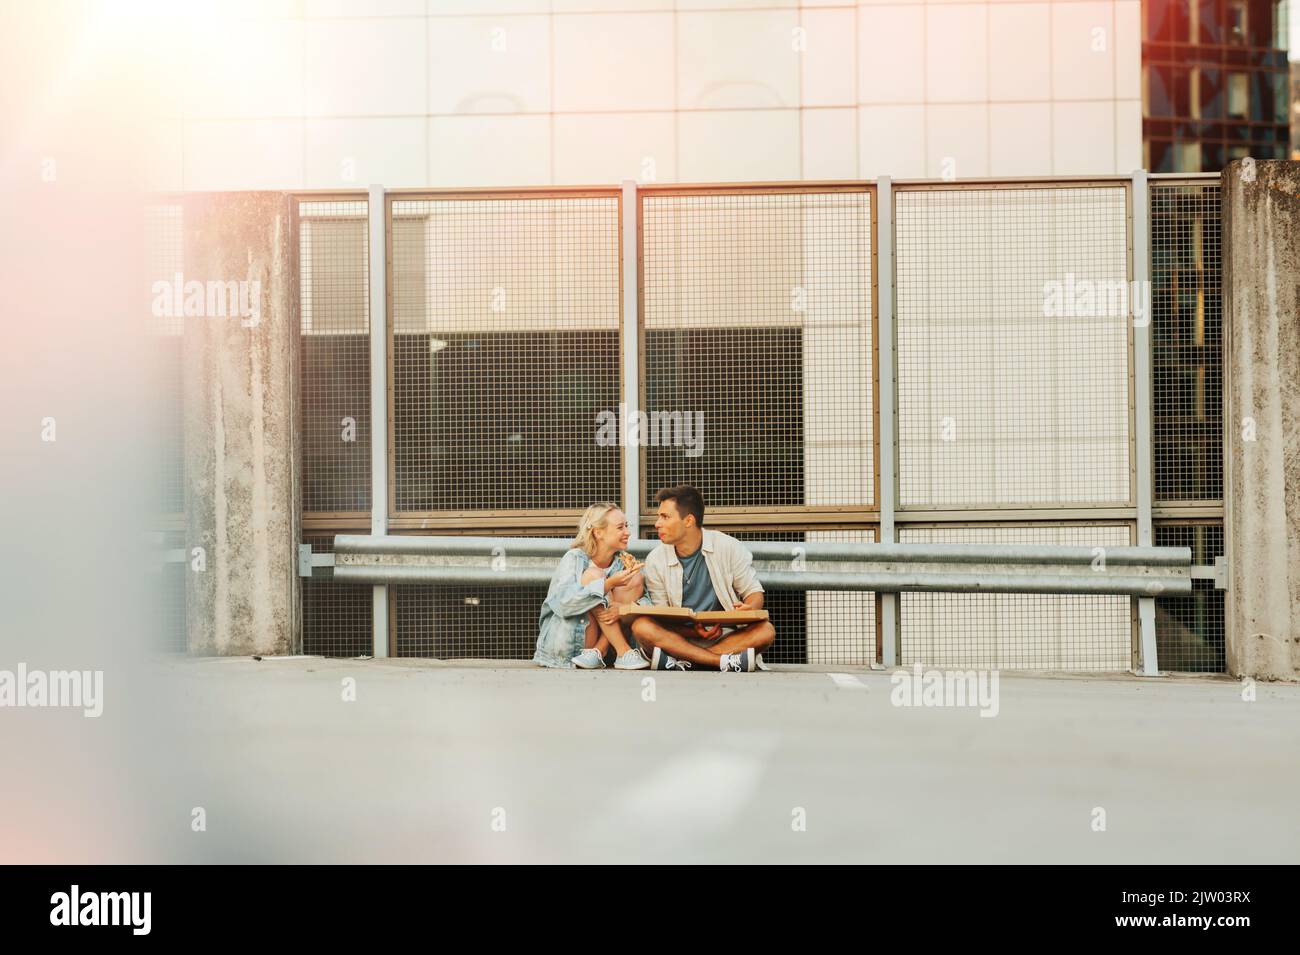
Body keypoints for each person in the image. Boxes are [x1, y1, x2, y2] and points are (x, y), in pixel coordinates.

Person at [631, 485, 775, 673]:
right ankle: (719, 662)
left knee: (766, 630)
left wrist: (751, 607)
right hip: (679, 638)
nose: (657, 523)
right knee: (641, 626)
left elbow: (754, 593)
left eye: (665, 517)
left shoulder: (728, 546)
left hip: (725, 637)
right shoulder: (656, 559)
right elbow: (662, 618)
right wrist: (693, 632)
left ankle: (688, 663)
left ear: (689, 520)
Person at [533, 503, 650, 670]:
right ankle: (623, 650)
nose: (627, 532)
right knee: (594, 576)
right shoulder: (575, 558)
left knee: (635, 578)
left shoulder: (624, 561)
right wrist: (608, 584)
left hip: (607, 652)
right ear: (598, 532)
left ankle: (601, 651)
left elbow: (648, 603)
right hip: (572, 647)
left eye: (626, 526)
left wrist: (623, 609)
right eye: (620, 527)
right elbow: (564, 603)